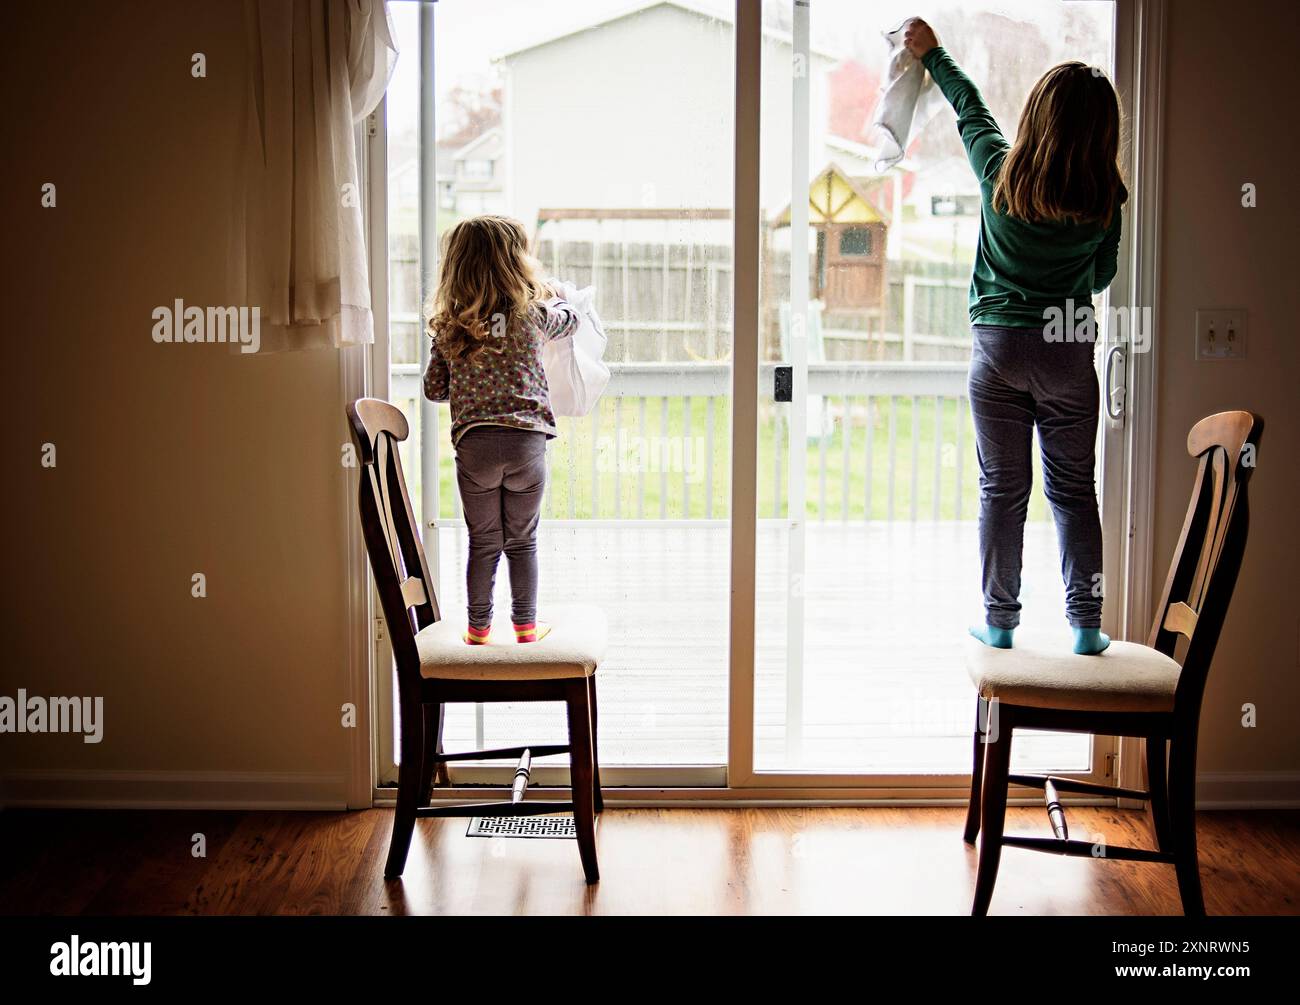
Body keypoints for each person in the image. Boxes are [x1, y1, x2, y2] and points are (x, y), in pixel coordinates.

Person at [902, 19, 1126, 654]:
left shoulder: (999, 173)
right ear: (1102, 135)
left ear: (1036, 118)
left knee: (1003, 489)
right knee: (1074, 492)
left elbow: (969, 106)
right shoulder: (1107, 198)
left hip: (999, 347)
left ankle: (1000, 621)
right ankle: (1085, 625)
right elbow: (1104, 275)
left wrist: (932, 52)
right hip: (1069, 343)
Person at [423, 215, 579, 645]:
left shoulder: (451, 325)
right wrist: (557, 299)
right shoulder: (534, 315)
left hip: (474, 447)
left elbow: (434, 389)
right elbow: (572, 321)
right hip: (526, 442)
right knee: (523, 540)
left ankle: (478, 629)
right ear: (517, 263)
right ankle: (526, 626)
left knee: (484, 541)